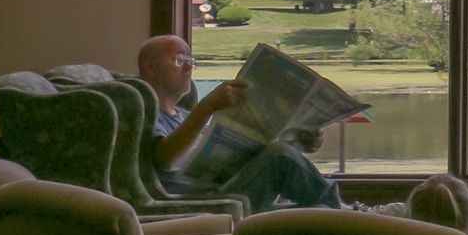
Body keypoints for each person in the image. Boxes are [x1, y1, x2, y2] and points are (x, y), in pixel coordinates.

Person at [137, 34, 342, 213]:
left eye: (190, 59)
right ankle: (346, 212)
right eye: (180, 59)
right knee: (279, 156)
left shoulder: (184, 115)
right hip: (200, 204)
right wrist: (206, 108)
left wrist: (297, 141)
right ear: (150, 66)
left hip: (227, 191)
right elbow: (165, 160)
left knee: (310, 208)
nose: (189, 66)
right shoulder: (141, 110)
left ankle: (338, 212)